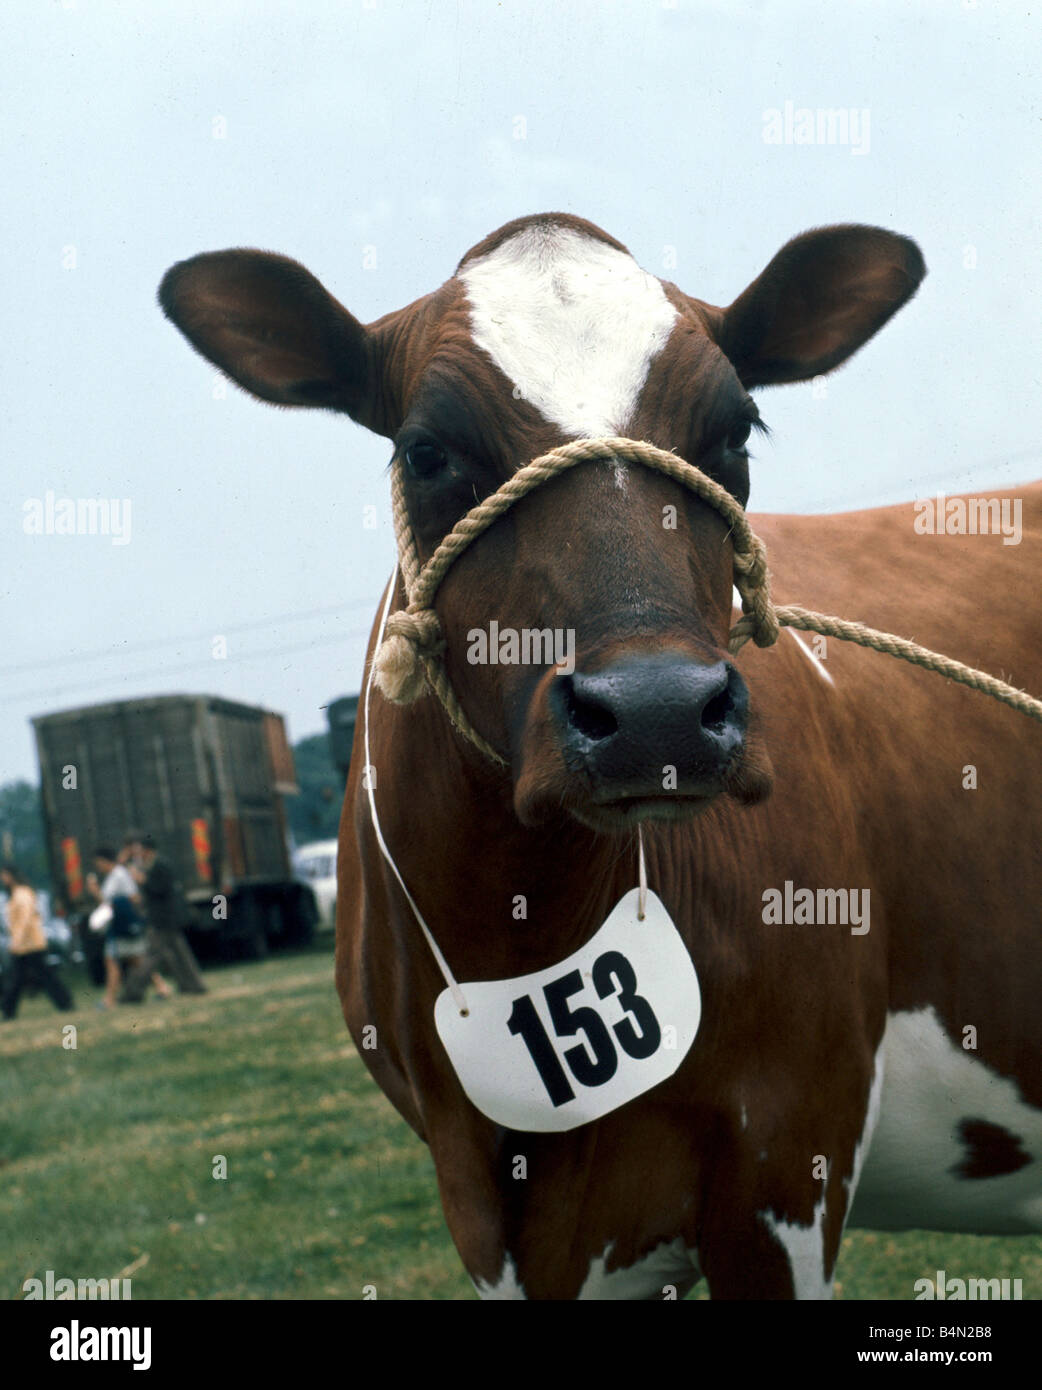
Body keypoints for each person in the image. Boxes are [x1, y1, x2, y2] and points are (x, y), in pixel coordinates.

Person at [121, 833, 207, 999]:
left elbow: (161, 889)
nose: (138, 854)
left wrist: (143, 880)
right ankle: (192, 985)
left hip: (164, 919)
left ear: (148, 850)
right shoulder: (149, 865)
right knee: (178, 955)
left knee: (152, 956)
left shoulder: (160, 865)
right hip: (162, 919)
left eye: (140, 850)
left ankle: (133, 992)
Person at [87, 846, 171, 1009]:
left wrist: (95, 891)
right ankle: (162, 987)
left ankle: (109, 1000)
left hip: (123, 925)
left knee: (113, 960)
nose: (97, 866)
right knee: (136, 959)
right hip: (118, 924)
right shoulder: (114, 875)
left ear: (105, 861)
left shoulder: (118, 875)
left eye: (98, 862)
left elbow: (132, 898)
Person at [1, 865, 74, 1019]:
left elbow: (25, 919)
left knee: (30, 977)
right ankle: (64, 1002)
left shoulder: (22, 893)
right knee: (21, 978)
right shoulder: (15, 894)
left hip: (30, 944)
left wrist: (16, 940)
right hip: (24, 945)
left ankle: (65, 1002)